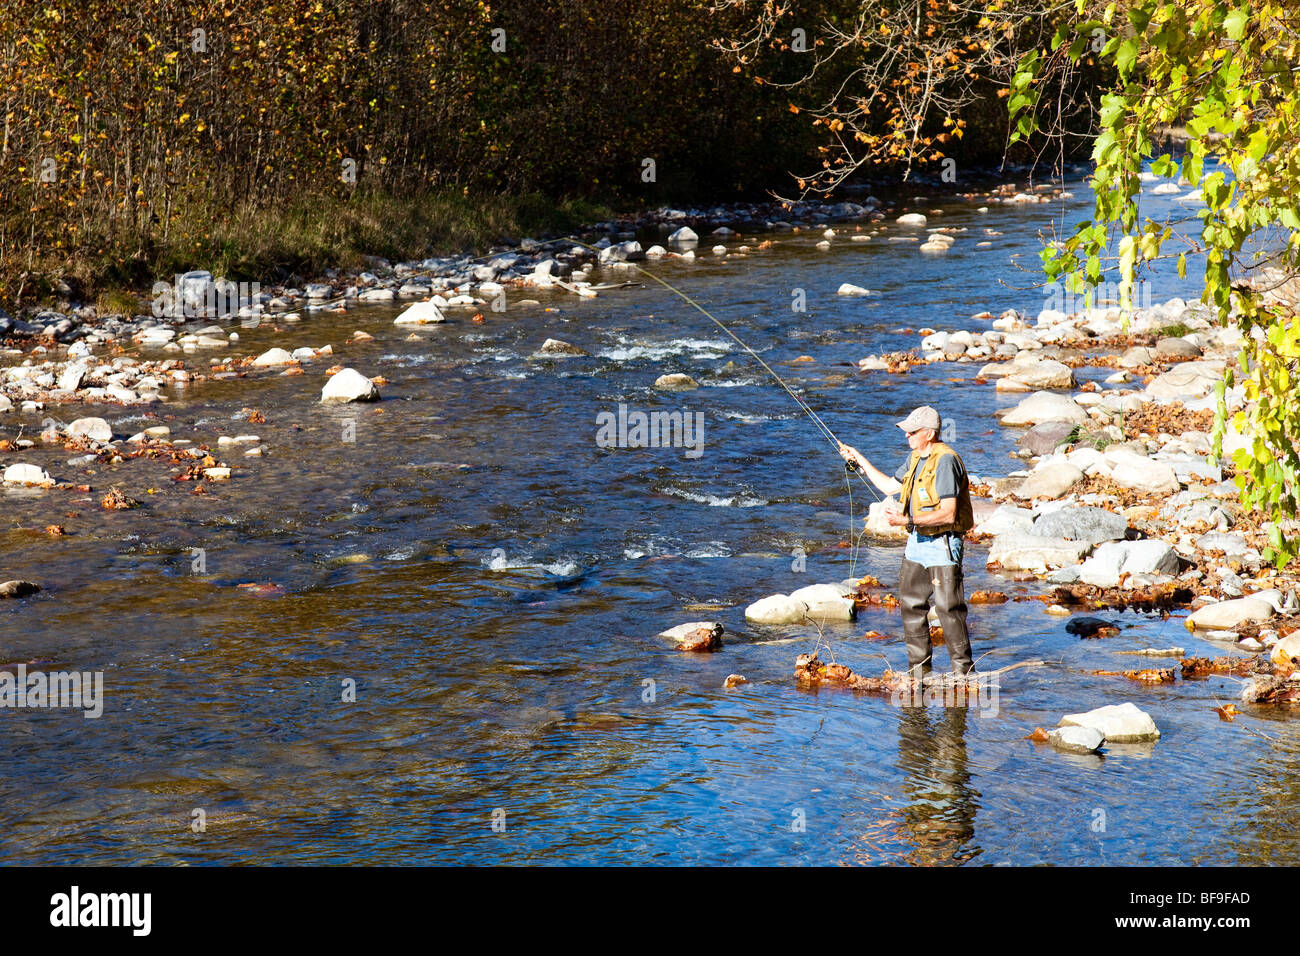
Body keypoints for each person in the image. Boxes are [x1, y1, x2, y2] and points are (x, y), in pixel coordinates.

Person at [837, 405, 975, 681]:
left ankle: (964, 673)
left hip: (943, 544)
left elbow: (948, 512)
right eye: (906, 431)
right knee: (911, 606)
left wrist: (907, 521)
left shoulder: (946, 461)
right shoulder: (916, 456)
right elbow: (890, 486)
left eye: (912, 432)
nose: (907, 436)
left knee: (949, 609)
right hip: (917, 544)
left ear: (929, 433)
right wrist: (859, 459)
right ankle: (919, 672)